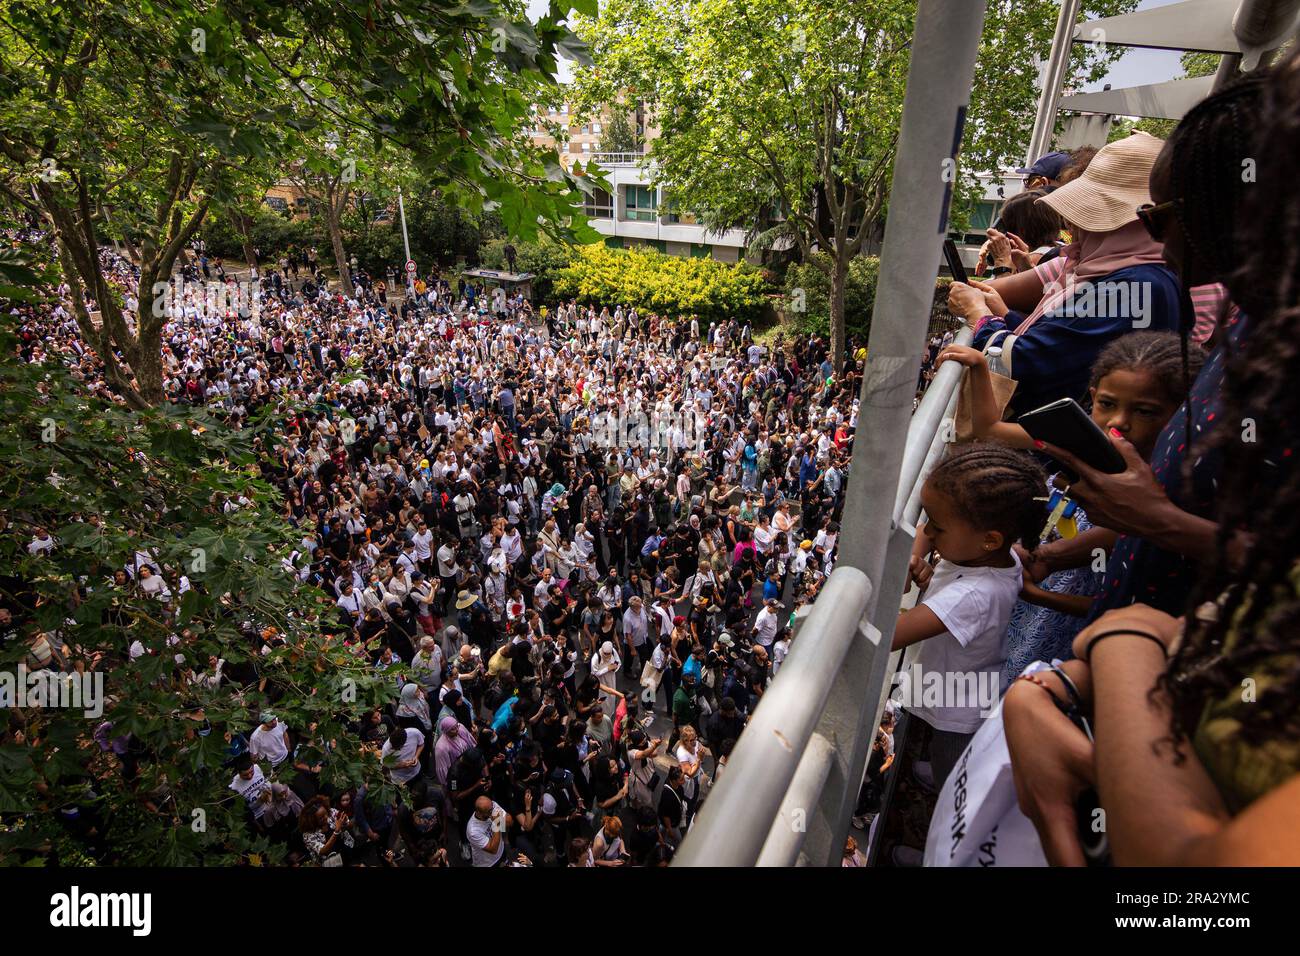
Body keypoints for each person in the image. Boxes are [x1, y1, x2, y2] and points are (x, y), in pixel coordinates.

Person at [951, 132, 1184, 419]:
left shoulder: (1133, 287)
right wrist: (1006, 317)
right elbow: (1065, 343)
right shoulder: (1148, 277)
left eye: (1085, 217)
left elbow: (1022, 364)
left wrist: (978, 314)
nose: (1072, 231)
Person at [895, 445, 1045, 789]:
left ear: (989, 539)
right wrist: (925, 573)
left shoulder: (973, 596)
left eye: (938, 526)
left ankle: (943, 822)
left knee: (955, 784)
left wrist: (898, 578)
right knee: (946, 758)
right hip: (966, 688)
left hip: (955, 710)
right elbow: (924, 537)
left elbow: (891, 636)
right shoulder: (989, 556)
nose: (928, 531)